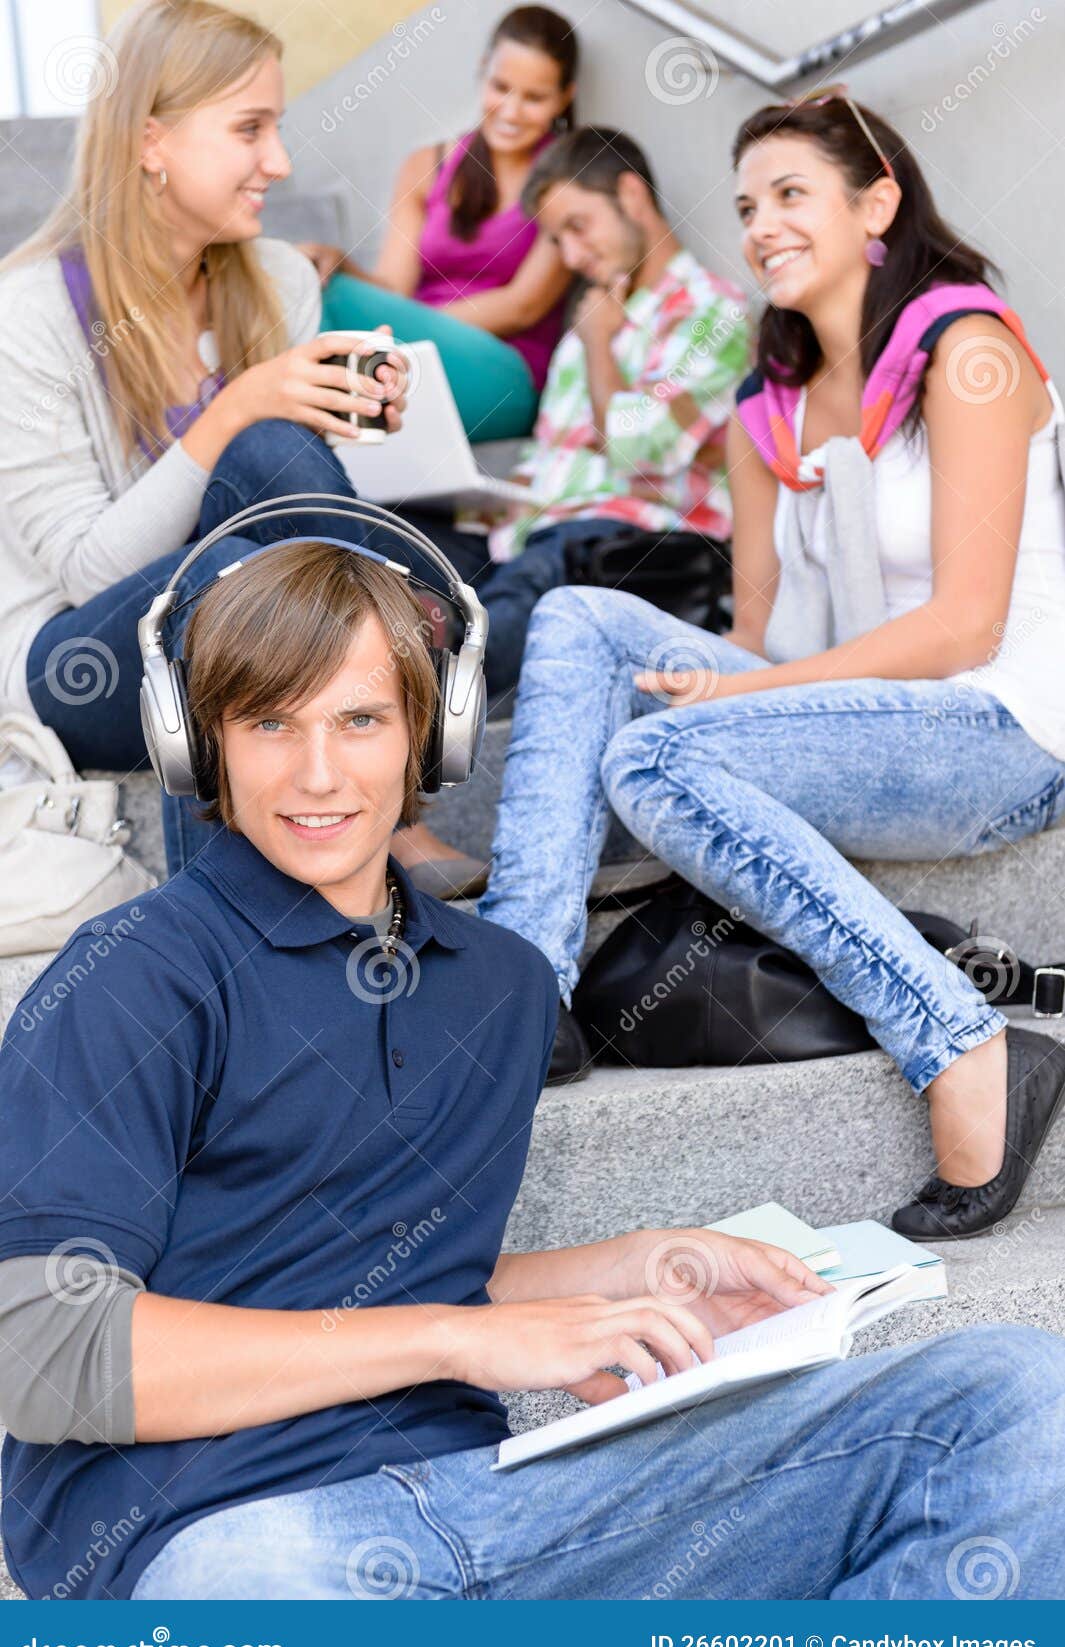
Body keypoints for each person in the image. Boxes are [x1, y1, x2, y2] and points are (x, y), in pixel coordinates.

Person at [2, 537, 1064, 1602]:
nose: (317, 772)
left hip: (501, 1513)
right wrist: (469, 1340)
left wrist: (632, 1268)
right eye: (272, 723)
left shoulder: (500, 990)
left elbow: (371, 1274)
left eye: (360, 719)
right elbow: (42, 1352)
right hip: (233, 1542)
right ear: (201, 746)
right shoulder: (132, 981)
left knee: (1016, 1400)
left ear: (435, 730)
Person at [476, 90, 1065, 1240]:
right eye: (747, 205)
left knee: (654, 760)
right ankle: (519, 982)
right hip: (852, 719)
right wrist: (745, 686)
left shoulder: (969, 350)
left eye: (792, 194)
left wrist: (737, 700)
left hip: (998, 732)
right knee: (583, 616)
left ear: (876, 202)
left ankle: (964, 1044)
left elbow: (964, 628)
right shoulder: (768, 405)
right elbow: (761, 636)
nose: (761, 225)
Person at [0, 0, 407, 880]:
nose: (280, 162)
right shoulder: (27, 315)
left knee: (257, 485)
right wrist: (235, 408)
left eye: (278, 128)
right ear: (151, 141)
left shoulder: (278, 277)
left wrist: (351, 415)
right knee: (222, 560)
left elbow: (292, 509)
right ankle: (397, 733)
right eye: (249, 129)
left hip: (239, 608)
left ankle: (385, 731)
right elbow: (83, 571)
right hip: (74, 660)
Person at [396, 126, 749, 700]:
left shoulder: (713, 312)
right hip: (538, 533)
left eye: (577, 227)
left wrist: (598, 346)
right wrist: (478, 496)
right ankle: (388, 659)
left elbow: (638, 449)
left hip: (638, 542)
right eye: (557, 239)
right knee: (402, 536)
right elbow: (550, 458)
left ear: (632, 197)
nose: (572, 256)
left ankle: (428, 689)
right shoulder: (593, 318)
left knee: (546, 569)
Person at [303, 6, 577, 442]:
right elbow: (392, 287)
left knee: (326, 303)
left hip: (503, 373)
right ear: (482, 72)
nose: (511, 110)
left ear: (564, 98)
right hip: (410, 350)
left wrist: (415, 333)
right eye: (500, 87)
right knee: (311, 281)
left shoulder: (567, 181)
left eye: (534, 98)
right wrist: (339, 262)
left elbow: (523, 305)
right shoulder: (426, 166)